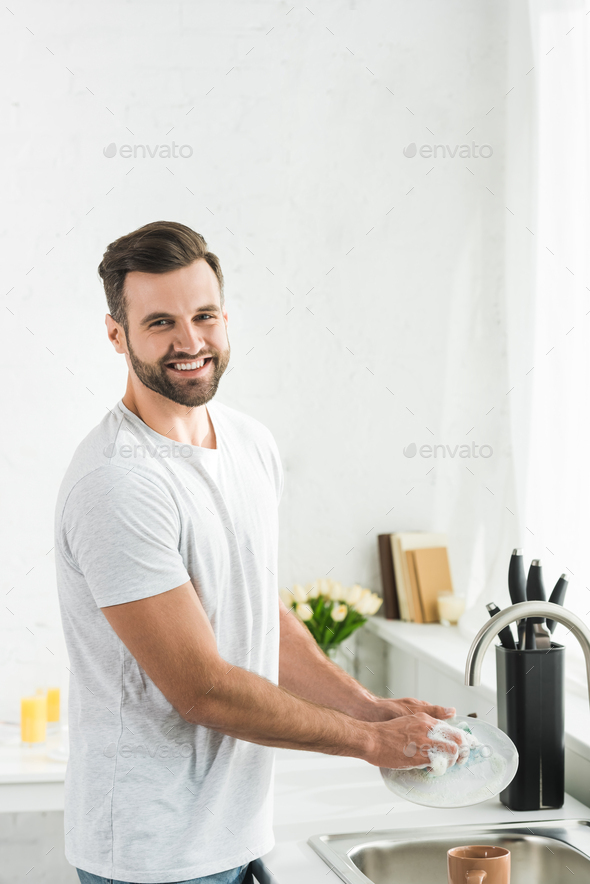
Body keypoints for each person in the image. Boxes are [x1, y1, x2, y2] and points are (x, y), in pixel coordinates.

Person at [54, 221, 469, 884]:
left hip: (238, 833)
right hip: (151, 854)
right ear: (116, 335)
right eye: (160, 322)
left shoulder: (250, 445)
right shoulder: (118, 481)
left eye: (205, 315)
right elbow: (203, 689)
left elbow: (260, 620)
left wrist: (369, 707)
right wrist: (369, 742)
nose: (190, 343)